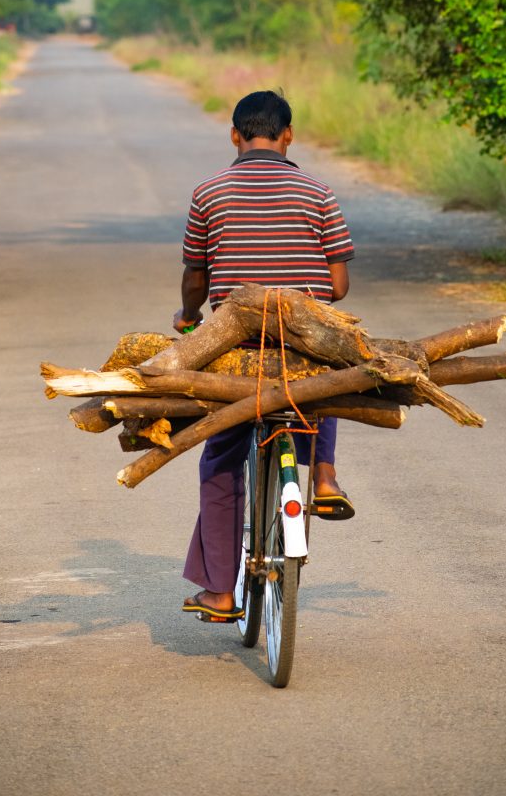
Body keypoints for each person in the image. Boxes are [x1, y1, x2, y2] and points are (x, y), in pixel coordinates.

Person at [174, 90, 355, 620]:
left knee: (221, 462)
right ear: (288, 135)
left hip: (237, 351)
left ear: (235, 135)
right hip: (301, 346)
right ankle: (323, 476)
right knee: (328, 373)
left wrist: (187, 318)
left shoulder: (208, 194)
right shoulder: (319, 193)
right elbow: (338, 289)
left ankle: (223, 593)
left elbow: (194, 276)